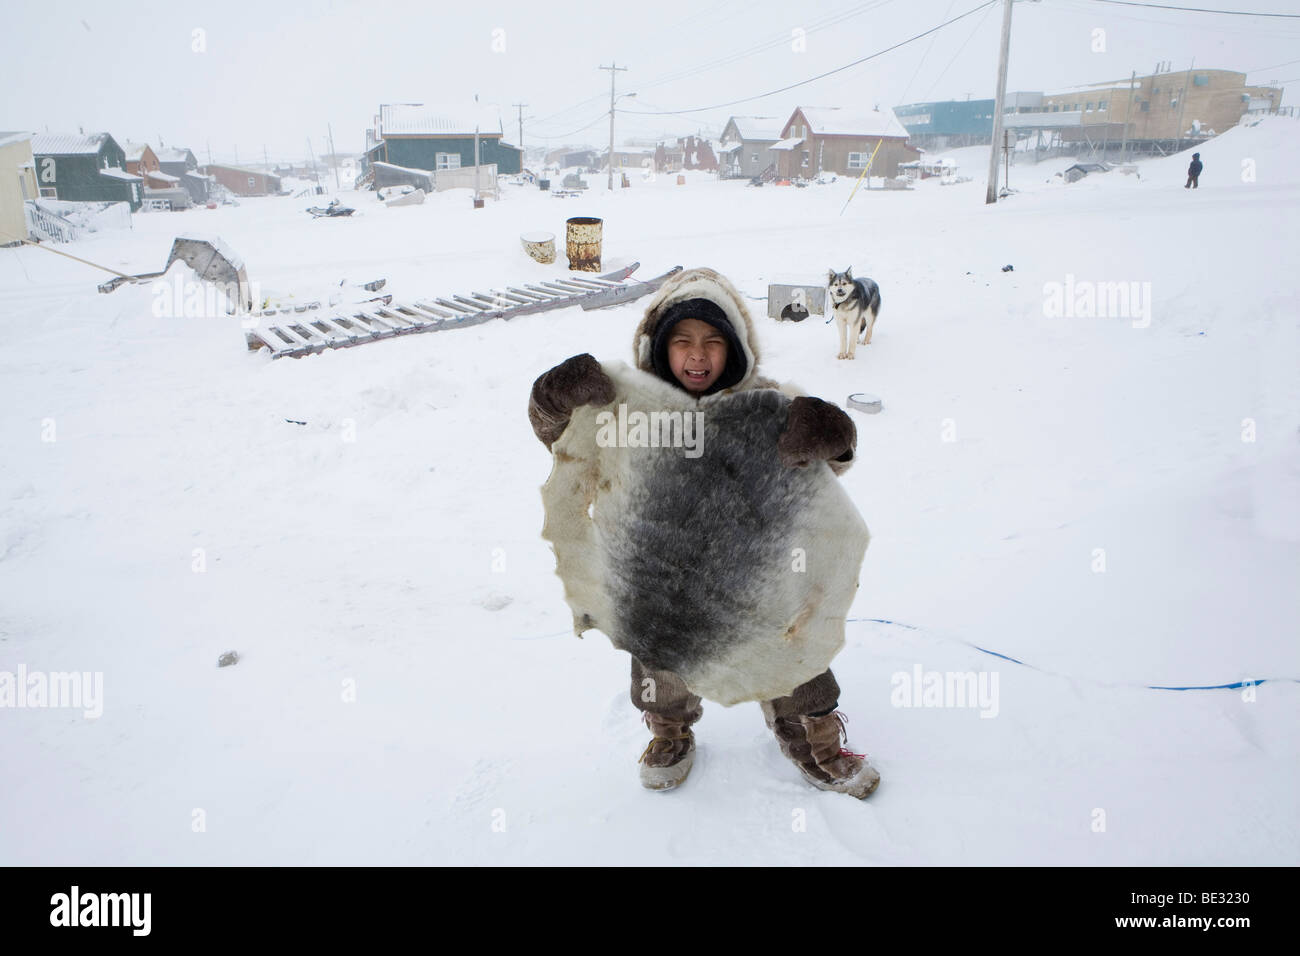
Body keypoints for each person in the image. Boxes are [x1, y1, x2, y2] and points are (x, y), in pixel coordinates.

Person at [527, 267, 881, 798]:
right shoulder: (625, 407)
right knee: (659, 668)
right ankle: (669, 732)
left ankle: (811, 734)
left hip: (754, 567)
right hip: (656, 569)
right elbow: (564, 439)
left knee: (793, 652)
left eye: (714, 341)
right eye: (683, 341)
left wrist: (834, 434)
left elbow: (823, 470)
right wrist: (551, 400)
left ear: (734, 349)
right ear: (659, 347)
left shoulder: (764, 402)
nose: (698, 355)